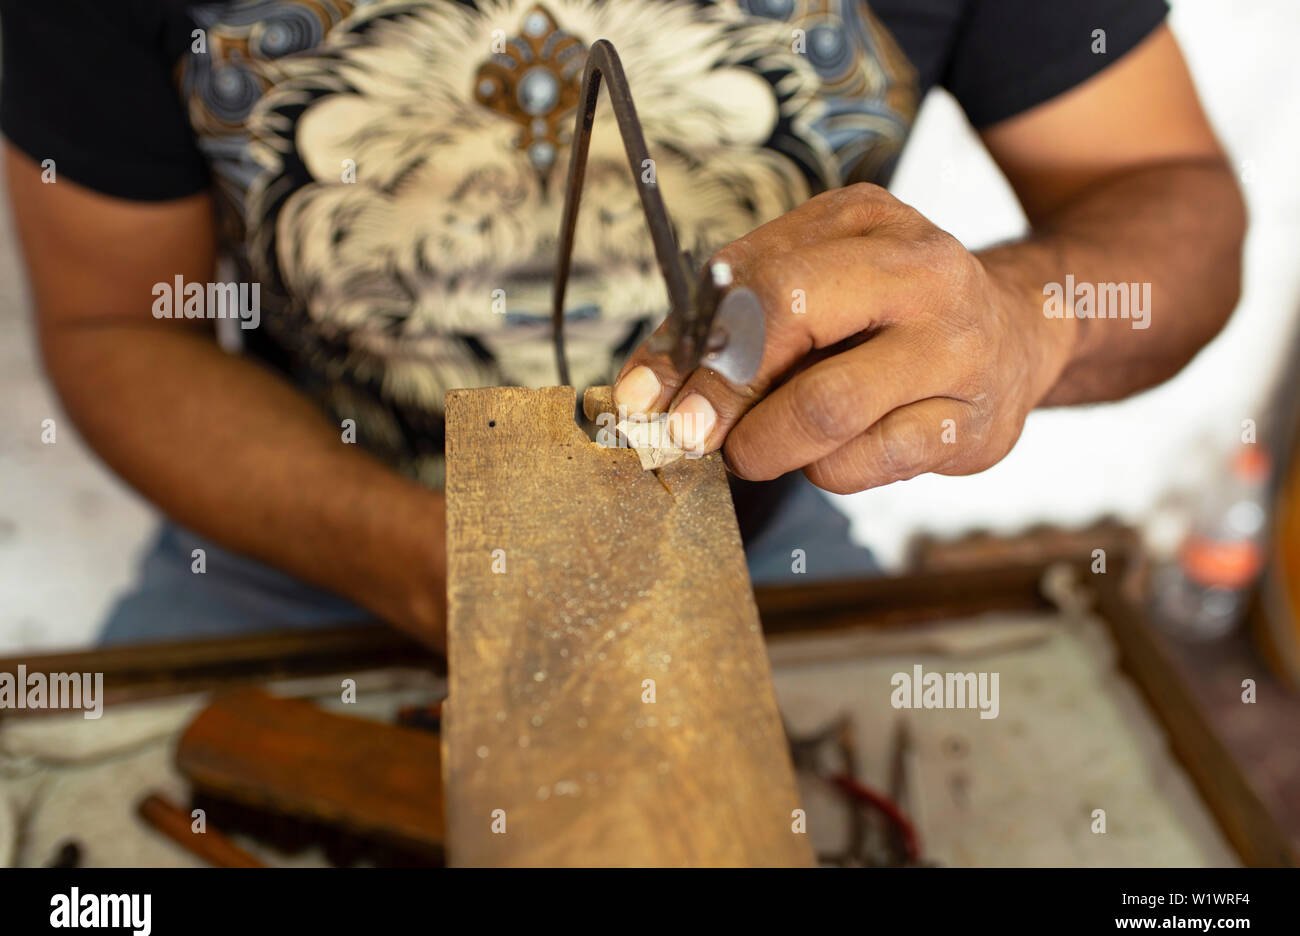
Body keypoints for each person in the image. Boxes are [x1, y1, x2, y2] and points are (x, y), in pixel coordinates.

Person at [0, 0, 1244, 647]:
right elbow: (118, 328)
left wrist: (1024, 322)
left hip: (747, 533)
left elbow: (1173, 203)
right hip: (295, 543)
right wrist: (426, 570)